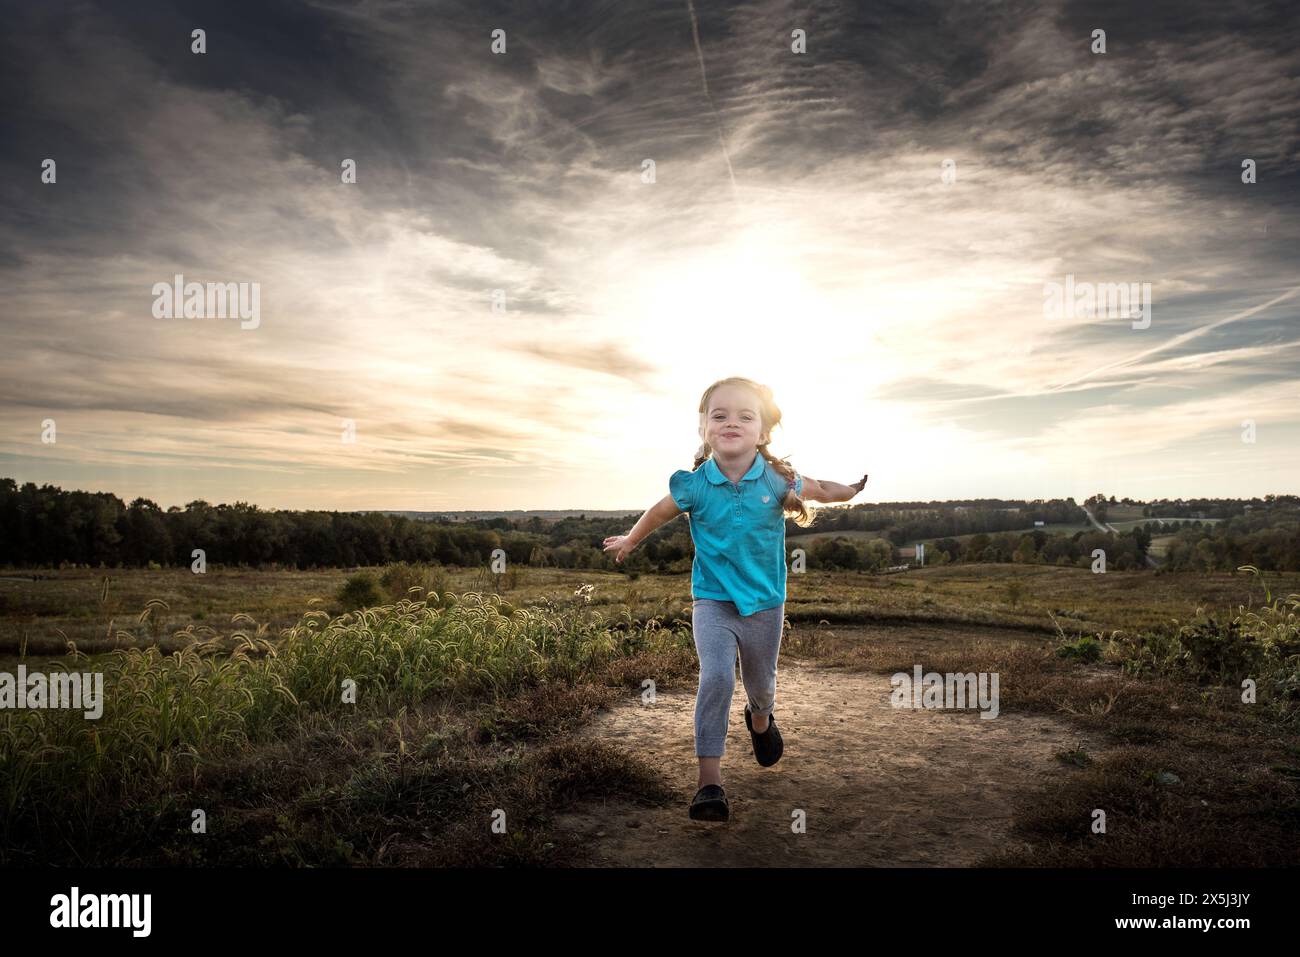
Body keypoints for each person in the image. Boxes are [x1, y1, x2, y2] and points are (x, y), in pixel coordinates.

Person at [603, 376, 868, 822]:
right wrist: (631, 538)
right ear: (704, 428)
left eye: (746, 416)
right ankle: (710, 784)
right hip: (713, 602)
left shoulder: (776, 478)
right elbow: (659, 511)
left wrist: (850, 491)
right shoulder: (694, 484)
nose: (731, 422)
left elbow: (821, 489)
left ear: (762, 433)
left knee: (761, 684)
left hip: (765, 603)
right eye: (719, 415)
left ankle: (760, 720)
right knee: (718, 677)